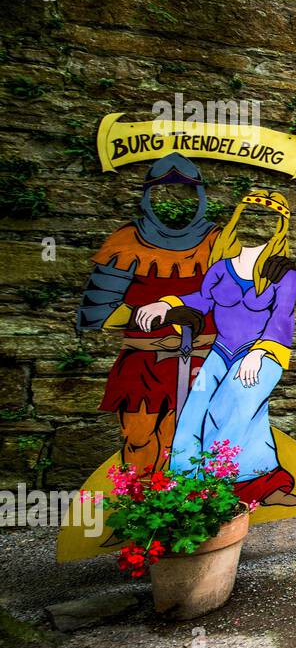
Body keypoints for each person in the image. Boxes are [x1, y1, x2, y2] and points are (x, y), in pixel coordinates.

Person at [133, 189, 296, 507]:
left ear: (278, 227)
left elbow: (282, 317)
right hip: (221, 351)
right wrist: (166, 304)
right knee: (192, 417)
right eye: (250, 217)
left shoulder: (284, 273)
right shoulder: (221, 268)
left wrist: (258, 353)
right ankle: (185, 492)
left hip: (263, 354)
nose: (257, 225)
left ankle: (217, 493)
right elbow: (202, 300)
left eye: (267, 219)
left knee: (227, 411)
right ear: (238, 221)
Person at [76, 154, 220, 475]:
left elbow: (229, 299)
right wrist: (162, 315)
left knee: (182, 440)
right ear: (148, 196)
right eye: (164, 192)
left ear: (200, 197)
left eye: (187, 192)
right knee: (138, 437)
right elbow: (100, 312)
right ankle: (141, 510)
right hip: (143, 363)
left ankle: (181, 510)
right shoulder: (126, 243)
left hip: (200, 359)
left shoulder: (218, 243)